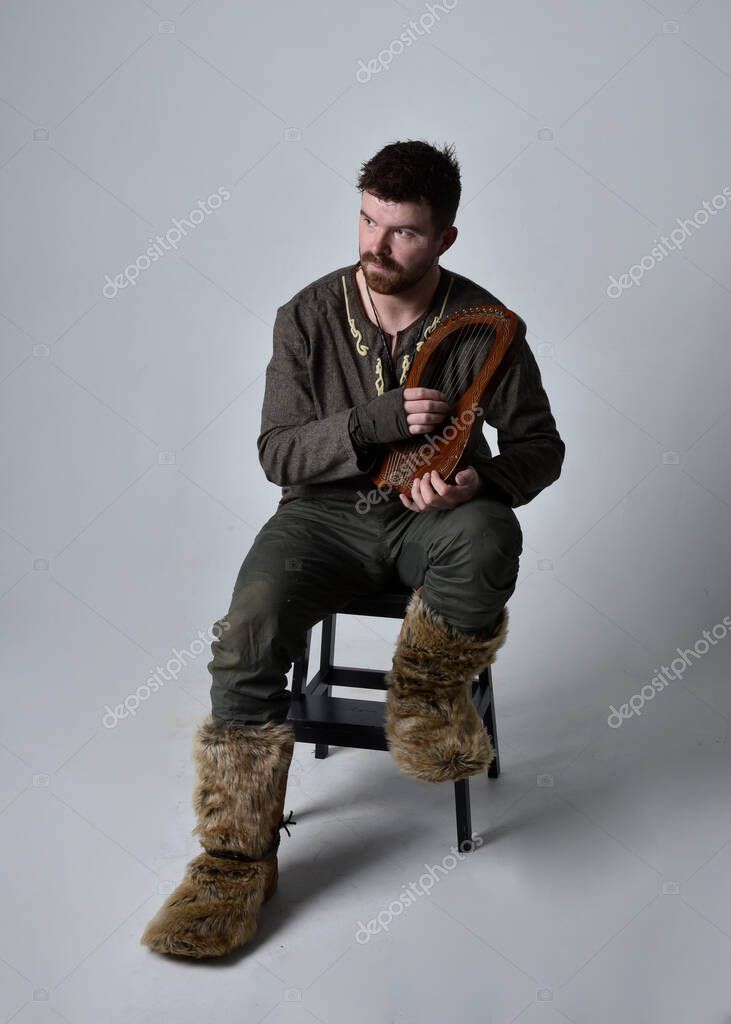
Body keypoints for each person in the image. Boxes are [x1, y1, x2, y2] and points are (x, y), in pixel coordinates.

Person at [140, 139, 565, 959]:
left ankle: (427, 692)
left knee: (489, 537)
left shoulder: (489, 327)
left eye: (400, 231)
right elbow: (277, 455)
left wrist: (480, 482)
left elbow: (540, 448)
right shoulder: (305, 316)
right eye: (366, 220)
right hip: (321, 520)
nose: (373, 245)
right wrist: (371, 424)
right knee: (247, 633)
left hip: (430, 522)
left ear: (444, 237)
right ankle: (234, 861)